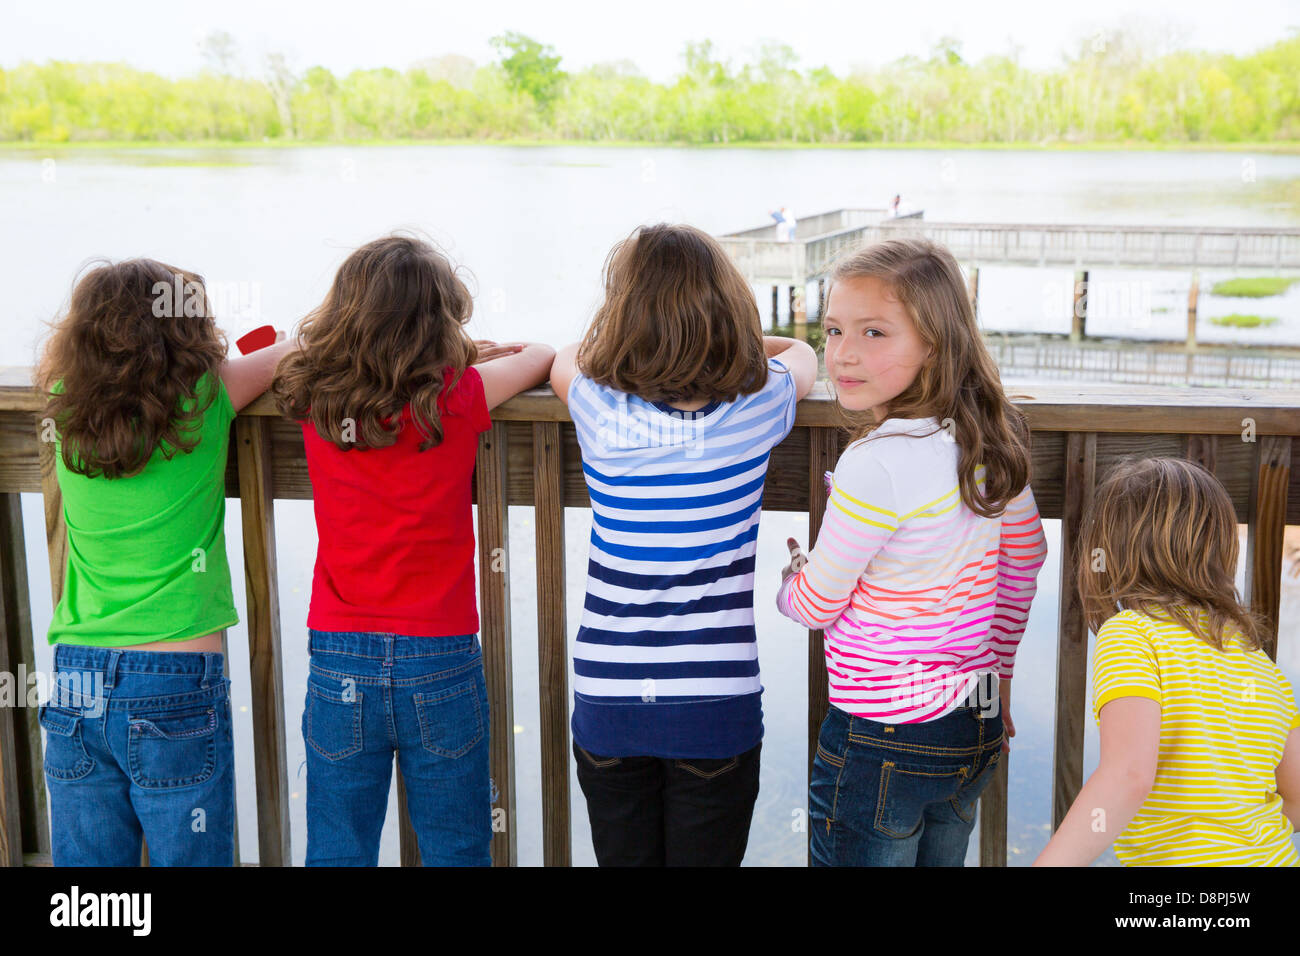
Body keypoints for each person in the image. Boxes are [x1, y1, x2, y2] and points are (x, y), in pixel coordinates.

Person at [271, 234, 554, 866]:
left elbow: (285, 354)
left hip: (341, 657)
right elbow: (540, 355)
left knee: (339, 849)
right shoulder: (458, 397)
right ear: (442, 324)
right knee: (457, 849)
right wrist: (465, 358)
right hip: (441, 657)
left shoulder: (315, 399)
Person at [549, 222, 818, 866]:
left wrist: (622, 341)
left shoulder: (596, 405)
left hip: (609, 699)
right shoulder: (755, 406)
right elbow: (803, 353)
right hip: (713, 705)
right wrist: (738, 346)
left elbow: (569, 356)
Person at [776, 237, 1047, 866]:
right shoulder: (989, 438)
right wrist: (999, 681)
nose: (842, 354)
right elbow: (1025, 560)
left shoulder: (876, 464)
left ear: (934, 343)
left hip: (880, 742)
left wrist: (793, 578)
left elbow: (817, 605)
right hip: (970, 724)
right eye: (834, 329)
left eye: (874, 333)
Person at [35, 258, 297, 865]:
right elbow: (292, 353)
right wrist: (273, 340)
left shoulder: (63, 404)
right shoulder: (204, 398)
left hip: (77, 673)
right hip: (176, 681)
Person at [1035, 457, 1300, 866]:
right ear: (1220, 550)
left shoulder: (1132, 634)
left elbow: (1128, 776)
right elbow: (1296, 798)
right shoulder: (1256, 657)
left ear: (1112, 550)